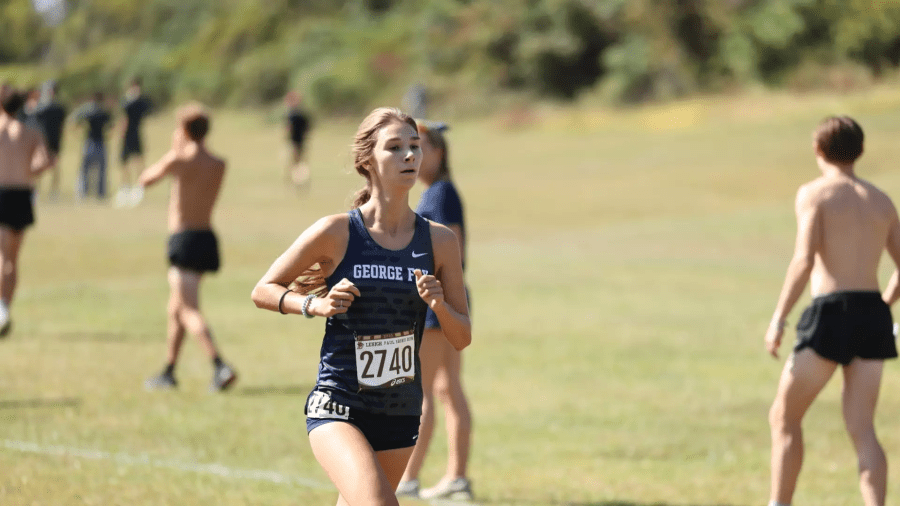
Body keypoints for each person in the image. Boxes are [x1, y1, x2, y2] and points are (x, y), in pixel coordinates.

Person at [250, 107, 471, 506]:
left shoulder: (439, 242)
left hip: (400, 413)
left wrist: (438, 303)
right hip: (338, 404)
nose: (409, 156)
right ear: (367, 160)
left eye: (415, 147)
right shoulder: (336, 231)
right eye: (395, 148)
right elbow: (263, 288)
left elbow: (462, 336)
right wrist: (313, 306)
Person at [765, 116, 900, 506]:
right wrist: (883, 305)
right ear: (860, 150)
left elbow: (804, 260)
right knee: (863, 430)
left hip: (830, 312)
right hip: (872, 316)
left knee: (784, 418)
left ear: (818, 150)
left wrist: (779, 317)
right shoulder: (881, 201)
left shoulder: (814, 194)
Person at [396, 122, 473, 500]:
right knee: (445, 388)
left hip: (436, 302)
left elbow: (452, 253)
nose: (412, 156)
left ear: (438, 153)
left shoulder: (440, 194)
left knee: (424, 390)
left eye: (420, 147)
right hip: (442, 300)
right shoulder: (439, 192)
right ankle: (454, 477)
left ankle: (408, 478)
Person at [139, 103, 237, 392]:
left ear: (183, 130)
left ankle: (220, 366)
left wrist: (174, 149)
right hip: (206, 238)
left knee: (187, 310)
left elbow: (145, 179)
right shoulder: (219, 164)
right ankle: (169, 371)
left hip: (183, 240)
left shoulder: (179, 160)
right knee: (176, 308)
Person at [0, 89, 55, 336]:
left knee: (1, 257)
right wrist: (26, 171)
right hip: (21, 195)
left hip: (1, 193)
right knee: (12, 259)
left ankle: (1, 311)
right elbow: (45, 162)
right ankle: (5, 308)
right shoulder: (31, 133)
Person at [116, 77, 151, 207]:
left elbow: (126, 118)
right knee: (125, 163)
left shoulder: (135, 102)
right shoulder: (131, 101)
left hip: (133, 135)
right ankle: (126, 188)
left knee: (137, 162)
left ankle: (137, 188)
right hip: (131, 135)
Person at [74, 91, 112, 200]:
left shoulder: (89, 111)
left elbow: (75, 119)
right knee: (101, 171)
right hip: (101, 143)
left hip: (89, 143)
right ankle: (101, 194)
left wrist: (77, 134)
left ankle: (83, 193)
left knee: (85, 170)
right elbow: (111, 126)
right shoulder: (104, 112)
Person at [34, 80, 67, 200]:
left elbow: (62, 126)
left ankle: (54, 192)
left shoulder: (59, 108)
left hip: (54, 140)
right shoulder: (39, 108)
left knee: (55, 167)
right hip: (42, 141)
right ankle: (36, 192)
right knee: (39, 167)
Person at [284, 91, 311, 191]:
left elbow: (288, 129)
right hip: (302, 141)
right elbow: (308, 128)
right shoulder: (303, 114)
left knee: (294, 163)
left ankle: (297, 180)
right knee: (300, 162)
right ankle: (300, 179)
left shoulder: (292, 115)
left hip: (293, 141)